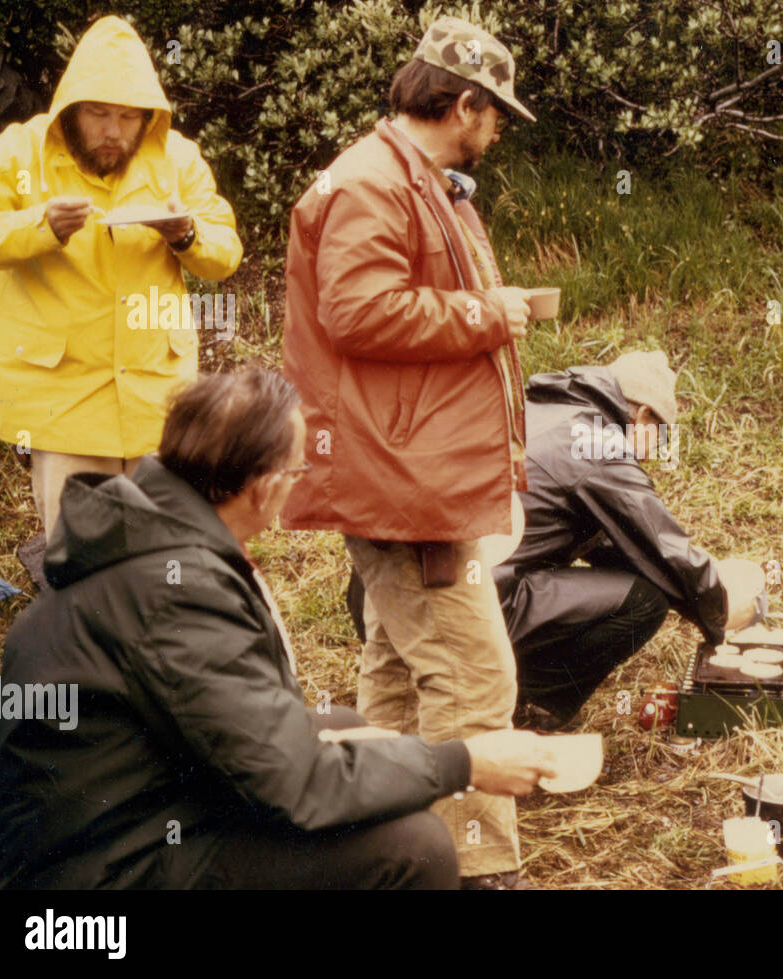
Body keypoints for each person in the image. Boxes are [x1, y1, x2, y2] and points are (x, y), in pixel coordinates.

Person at [0, 370, 555, 889]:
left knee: (342, 724)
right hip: (92, 882)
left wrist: (358, 753)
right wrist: (467, 763)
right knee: (416, 849)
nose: (295, 484)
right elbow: (295, 785)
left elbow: (222, 728)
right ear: (261, 487)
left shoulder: (153, 536)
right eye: (296, 471)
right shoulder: (178, 591)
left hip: (121, 821)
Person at [281, 16, 537, 889]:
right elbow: (355, 310)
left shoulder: (418, 178)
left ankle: (364, 855)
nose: (497, 129)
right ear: (461, 102)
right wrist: (486, 316)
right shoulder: (373, 184)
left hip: (410, 468)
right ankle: (473, 869)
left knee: (394, 671)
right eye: (493, 111)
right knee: (472, 676)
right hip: (401, 473)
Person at [0, 15, 242, 537]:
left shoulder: (178, 159)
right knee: (82, 569)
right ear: (71, 107)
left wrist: (185, 235)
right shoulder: (14, 153)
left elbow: (225, 253)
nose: (113, 132)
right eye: (98, 113)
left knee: (164, 561)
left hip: (158, 403)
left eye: (127, 116)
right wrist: (39, 226)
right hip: (60, 406)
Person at [493, 351, 729, 727]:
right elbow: (661, 546)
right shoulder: (598, 443)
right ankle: (536, 700)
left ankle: (505, 682)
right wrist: (722, 611)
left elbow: (611, 542)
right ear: (645, 416)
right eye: (663, 435)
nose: (655, 453)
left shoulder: (544, 408)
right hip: (479, 606)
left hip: (427, 584)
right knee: (643, 604)